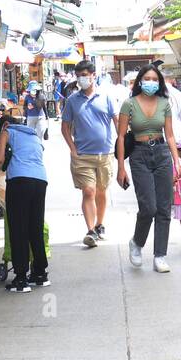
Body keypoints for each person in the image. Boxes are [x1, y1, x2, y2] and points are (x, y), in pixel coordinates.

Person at [115, 65, 181, 273]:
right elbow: (121, 137)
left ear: (160, 82)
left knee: (164, 208)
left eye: (155, 79)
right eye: (147, 78)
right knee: (148, 207)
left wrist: (177, 160)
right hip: (139, 154)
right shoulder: (129, 104)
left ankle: (160, 255)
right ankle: (137, 242)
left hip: (162, 153)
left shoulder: (164, 103)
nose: (151, 82)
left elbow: (170, 135)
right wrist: (121, 167)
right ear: (139, 81)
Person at [0, 114, 49, 292]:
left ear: (5, 124)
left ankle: (20, 278)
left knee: (18, 229)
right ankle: (40, 273)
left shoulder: (7, 132)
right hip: (40, 181)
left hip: (19, 182)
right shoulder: (33, 135)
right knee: (35, 227)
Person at [61, 60, 119, 247]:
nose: (81, 79)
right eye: (79, 76)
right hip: (82, 156)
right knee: (88, 191)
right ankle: (90, 230)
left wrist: (122, 145)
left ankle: (99, 224)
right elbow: (65, 127)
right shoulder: (72, 101)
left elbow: (117, 122)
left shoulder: (107, 97)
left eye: (85, 75)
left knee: (101, 191)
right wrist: (72, 149)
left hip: (105, 154)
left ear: (94, 75)